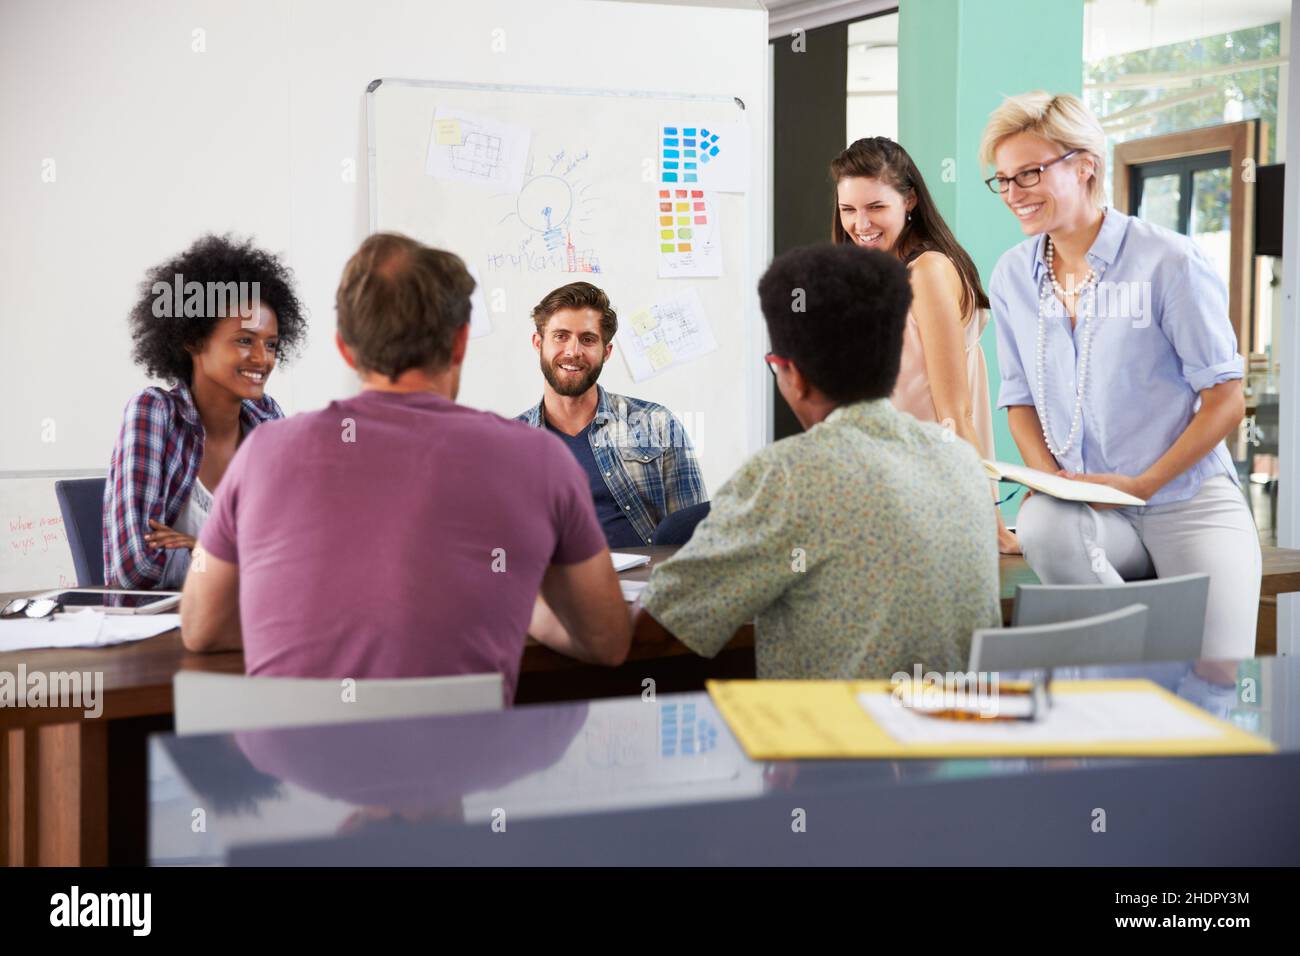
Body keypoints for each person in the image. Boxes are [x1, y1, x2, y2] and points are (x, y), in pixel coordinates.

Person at [180, 233, 631, 700]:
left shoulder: (262, 451)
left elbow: (200, 627)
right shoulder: (539, 457)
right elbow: (608, 640)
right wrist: (522, 605)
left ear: (345, 349)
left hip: (291, 743)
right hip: (462, 744)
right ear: (460, 343)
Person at [630, 243, 1002, 678]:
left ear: (791, 373)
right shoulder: (960, 461)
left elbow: (652, 628)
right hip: (958, 721)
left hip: (836, 723)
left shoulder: (788, 474)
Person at [981, 91, 1260, 659]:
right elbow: (1019, 401)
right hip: (1093, 512)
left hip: (1188, 502)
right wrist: (1055, 485)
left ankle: (1151, 675)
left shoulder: (1168, 262)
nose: (1014, 193)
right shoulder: (1012, 276)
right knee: (1042, 521)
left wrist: (1142, 485)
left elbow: (1226, 400)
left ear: (1085, 165)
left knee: (1215, 680)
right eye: (1003, 180)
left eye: (1029, 173)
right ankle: (1127, 667)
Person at [831, 136, 1018, 554]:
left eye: (876, 207)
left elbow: (956, 414)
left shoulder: (928, 271)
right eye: (849, 210)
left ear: (910, 200)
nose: (860, 223)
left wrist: (993, 526)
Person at [103, 234, 306, 589]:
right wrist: (247, 559)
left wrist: (199, 549)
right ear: (194, 340)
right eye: (245, 340)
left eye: (272, 344)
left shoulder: (267, 419)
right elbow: (136, 566)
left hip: (246, 618)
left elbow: (297, 557)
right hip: (164, 622)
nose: (263, 359)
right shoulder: (154, 414)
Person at [516, 281, 707, 547]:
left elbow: (695, 538)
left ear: (606, 352)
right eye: (560, 336)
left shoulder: (657, 424)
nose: (573, 351)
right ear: (538, 343)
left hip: (647, 573)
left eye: (588, 339)